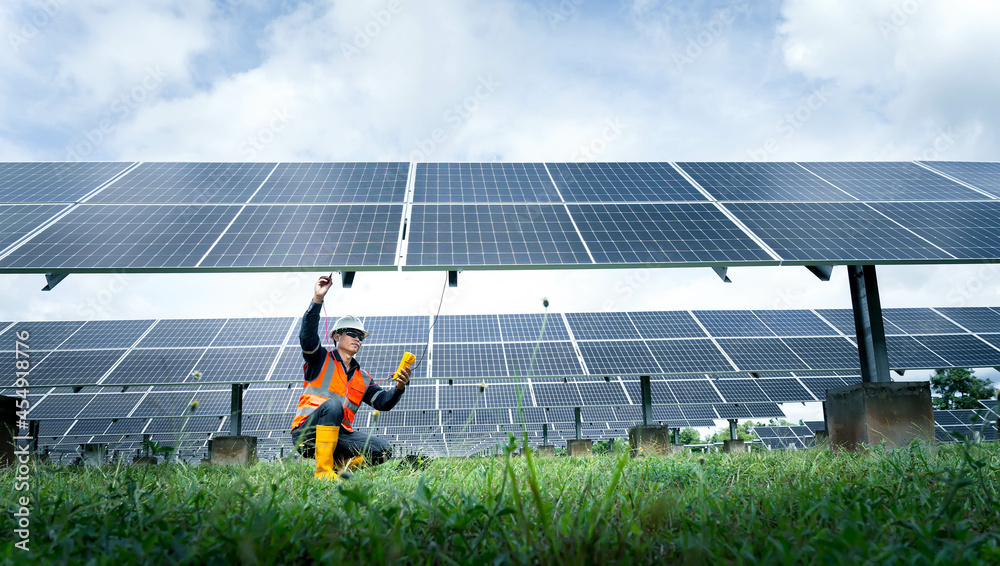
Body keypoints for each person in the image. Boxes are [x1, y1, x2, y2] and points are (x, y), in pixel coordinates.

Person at [290, 274, 411, 479]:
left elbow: (383, 402)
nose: (358, 339)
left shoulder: (362, 377)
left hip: (339, 436)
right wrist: (317, 299)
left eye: (361, 336)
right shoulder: (320, 360)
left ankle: (339, 471)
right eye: (352, 334)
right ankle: (322, 473)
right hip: (307, 432)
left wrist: (399, 388)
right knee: (333, 405)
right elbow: (307, 337)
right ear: (337, 336)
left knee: (383, 450)